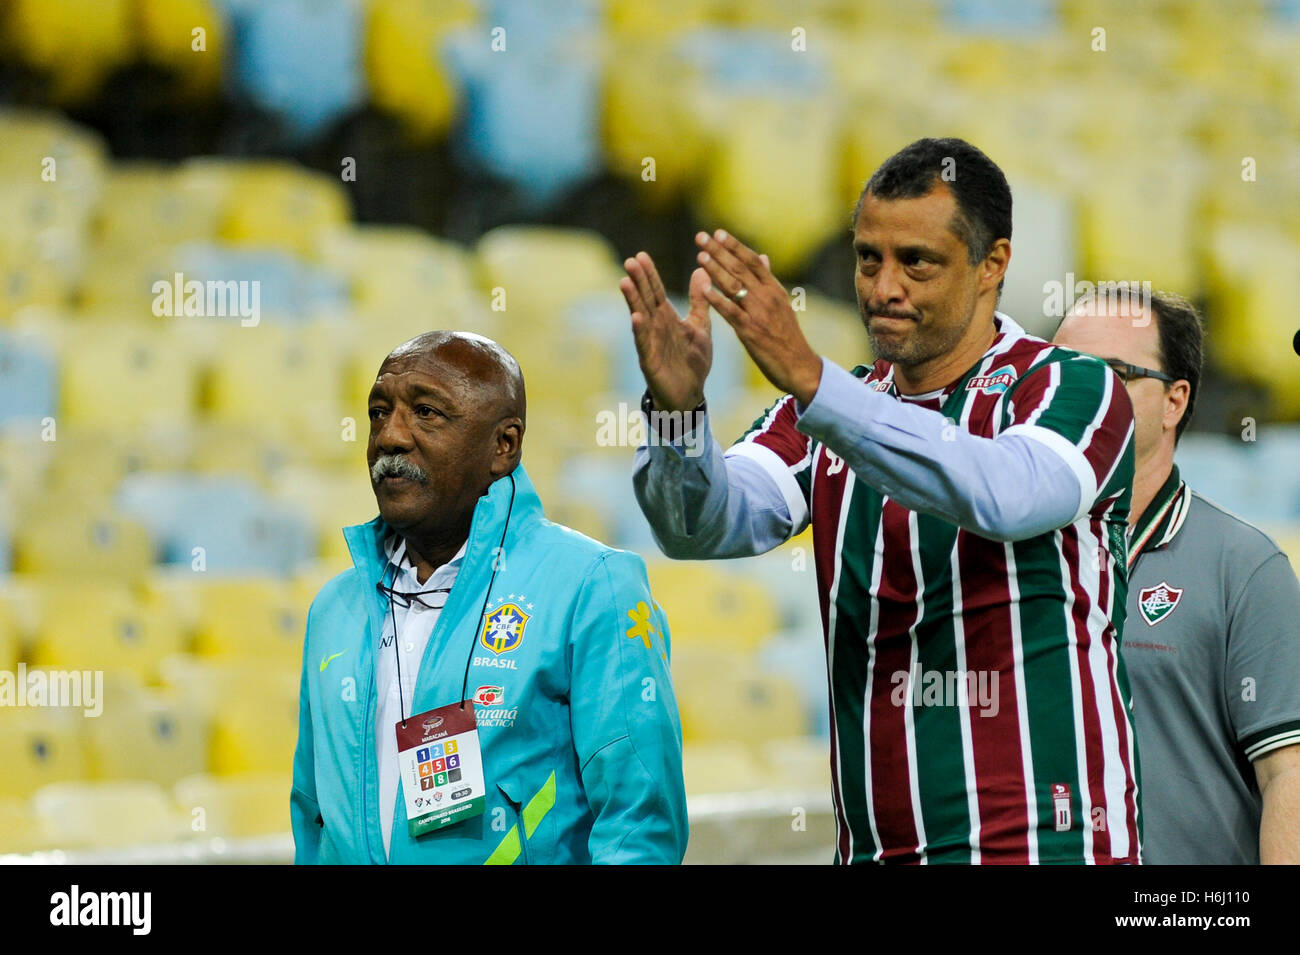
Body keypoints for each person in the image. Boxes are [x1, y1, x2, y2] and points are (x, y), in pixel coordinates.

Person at [623, 137, 1141, 864]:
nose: (883, 287)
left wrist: (810, 377)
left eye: (915, 261)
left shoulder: (1068, 388)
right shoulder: (830, 410)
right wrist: (677, 414)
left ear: (993, 264)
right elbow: (697, 529)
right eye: (869, 258)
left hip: (1043, 846)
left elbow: (1004, 493)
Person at [292, 331, 687, 864]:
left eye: (426, 412)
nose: (390, 437)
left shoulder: (592, 586)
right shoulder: (334, 611)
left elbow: (638, 824)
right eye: (379, 412)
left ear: (503, 446)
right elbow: (313, 818)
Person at [1055, 290, 1300, 864]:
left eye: (1111, 373)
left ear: (1173, 400)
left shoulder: (1245, 568)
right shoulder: (1008, 554)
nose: (1074, 391)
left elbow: (1288, 776)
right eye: (1061, 370)